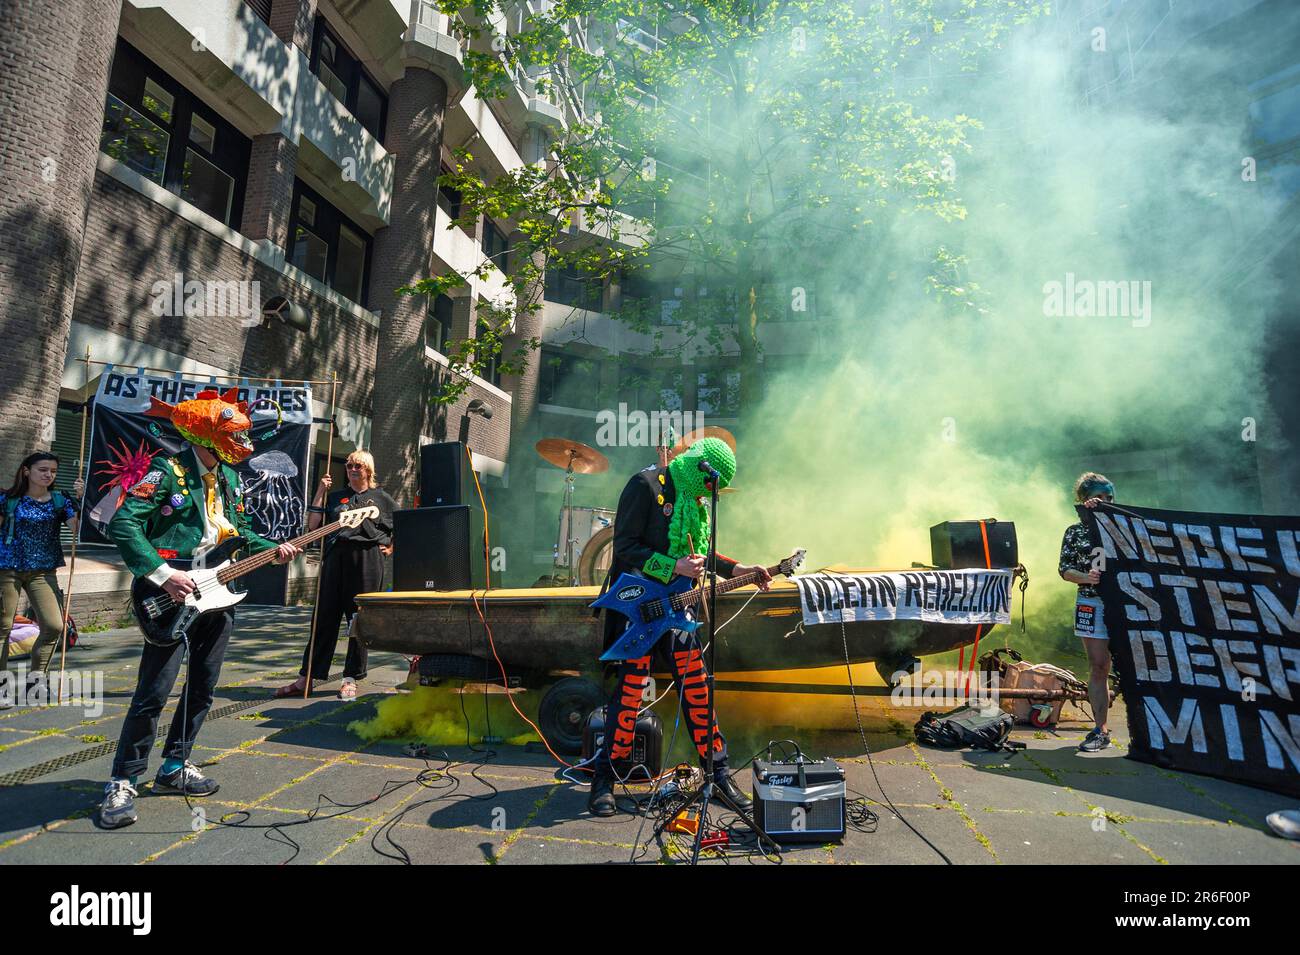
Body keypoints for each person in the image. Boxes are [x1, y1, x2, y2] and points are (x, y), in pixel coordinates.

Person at [99, 388, 300, 829]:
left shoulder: (230, 479)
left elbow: (241, 534)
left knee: (203, 688)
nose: (244, 445)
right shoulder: (165, 471)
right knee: (154, 692)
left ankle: (175, 764)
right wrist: (163, 574)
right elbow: (124, 523)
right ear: (206, 437)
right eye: (234, 435)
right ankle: (123, 780)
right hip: (171, 593)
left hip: (220, 596)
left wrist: (278, 548)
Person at [589, 437, 771, 817]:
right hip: (638, 608)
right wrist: (673, 567)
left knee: (699, 690)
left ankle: (718, 774)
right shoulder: (645, 485)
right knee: (629, 694)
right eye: (709, 486)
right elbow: (624, 547)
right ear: (699, 467)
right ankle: (604, 778)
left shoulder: (694, 500)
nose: (709, 495)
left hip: (677, 610)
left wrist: (740, 570)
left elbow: (699, 556)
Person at [276, 449, 395, 700]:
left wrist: (391, 546)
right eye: (350, 465)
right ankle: (306, 677)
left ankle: (351, 677)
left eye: (358, 466)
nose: (352, 470)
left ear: (368, 471)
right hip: (334, 557)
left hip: (367, 559)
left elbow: (404, 524)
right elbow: (313, 526)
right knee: (323, 617)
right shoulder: (336, 497)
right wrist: (320, 490)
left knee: (359, 620)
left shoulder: (381, 498)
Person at [0, 452, 84, 708]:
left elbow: (76, 528)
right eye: (43, 469)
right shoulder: (8, 499)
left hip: (43, 570)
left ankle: (35, 681)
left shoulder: (60, 500)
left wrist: (81, 500)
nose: (49, 475)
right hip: (7, 568)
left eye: (53, 471)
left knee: (54, 626)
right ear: (27, 471)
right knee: (2, 628)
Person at [1058, 471, 1116, 753]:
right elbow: (1064, 570)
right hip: (1091, 601)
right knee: (1099, 665)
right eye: (1098, 496)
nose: (1105, 501)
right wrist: (1084, 576)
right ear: (1083, 499)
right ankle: (1100, 729)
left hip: (1126, 603)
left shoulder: (1123, 524)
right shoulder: (1075, 531)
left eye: (1109, 496)